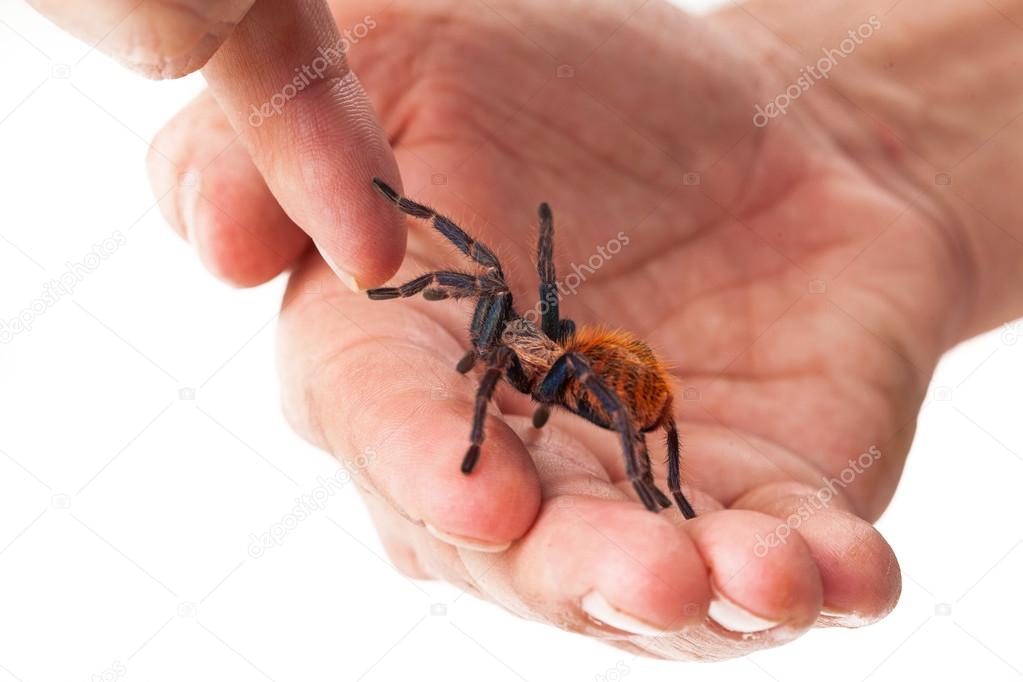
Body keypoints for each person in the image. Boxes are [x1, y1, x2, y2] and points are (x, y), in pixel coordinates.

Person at [31, 0, 1023, 660]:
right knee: (487, 281)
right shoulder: (517, 330)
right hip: (586, 362)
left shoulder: (561, 366)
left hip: (597, 373)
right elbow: (494, 275)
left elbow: (558, 326)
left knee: (610, 385)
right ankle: (650, 483)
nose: (489, 344)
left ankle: (648, 487)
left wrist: (482, 432)